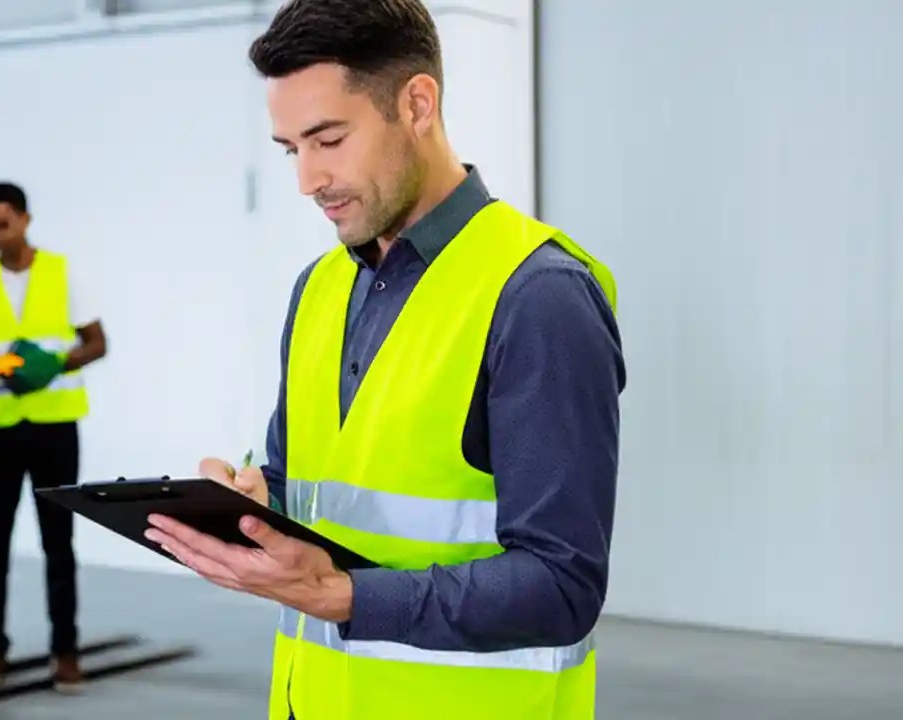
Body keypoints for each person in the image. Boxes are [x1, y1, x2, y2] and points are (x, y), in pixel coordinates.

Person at [142, 2, 625, 718]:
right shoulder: (320, 287)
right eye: (290, 149)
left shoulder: (537, 296)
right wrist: (254, 508)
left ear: (418, 103)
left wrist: (342, 595)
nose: (308, 179)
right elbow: (303, 484)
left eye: (329, 139)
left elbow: (562, 586)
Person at [0, 181, 108, 691]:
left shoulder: (63, 274)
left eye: (3, 224)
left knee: (58, 543)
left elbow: (97, 343)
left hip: (55, 427)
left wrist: (52, 364)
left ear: (24, 219)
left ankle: (66, 652)